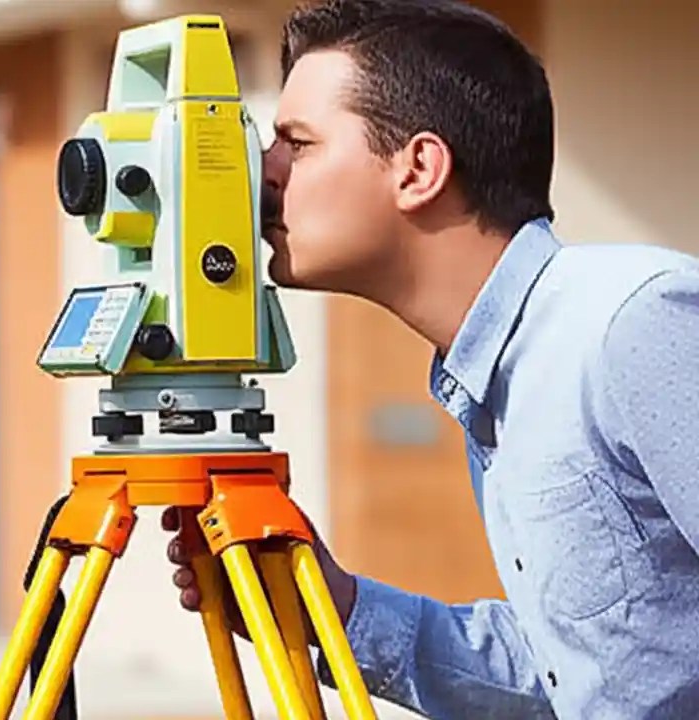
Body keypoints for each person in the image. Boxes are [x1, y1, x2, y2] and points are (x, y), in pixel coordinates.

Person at [162, 0, 699, 717]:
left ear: (418, 168)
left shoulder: (634, 323)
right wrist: (339, 607)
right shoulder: (491, 380)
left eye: (298, 142)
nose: (264, 174)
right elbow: (572, 675)